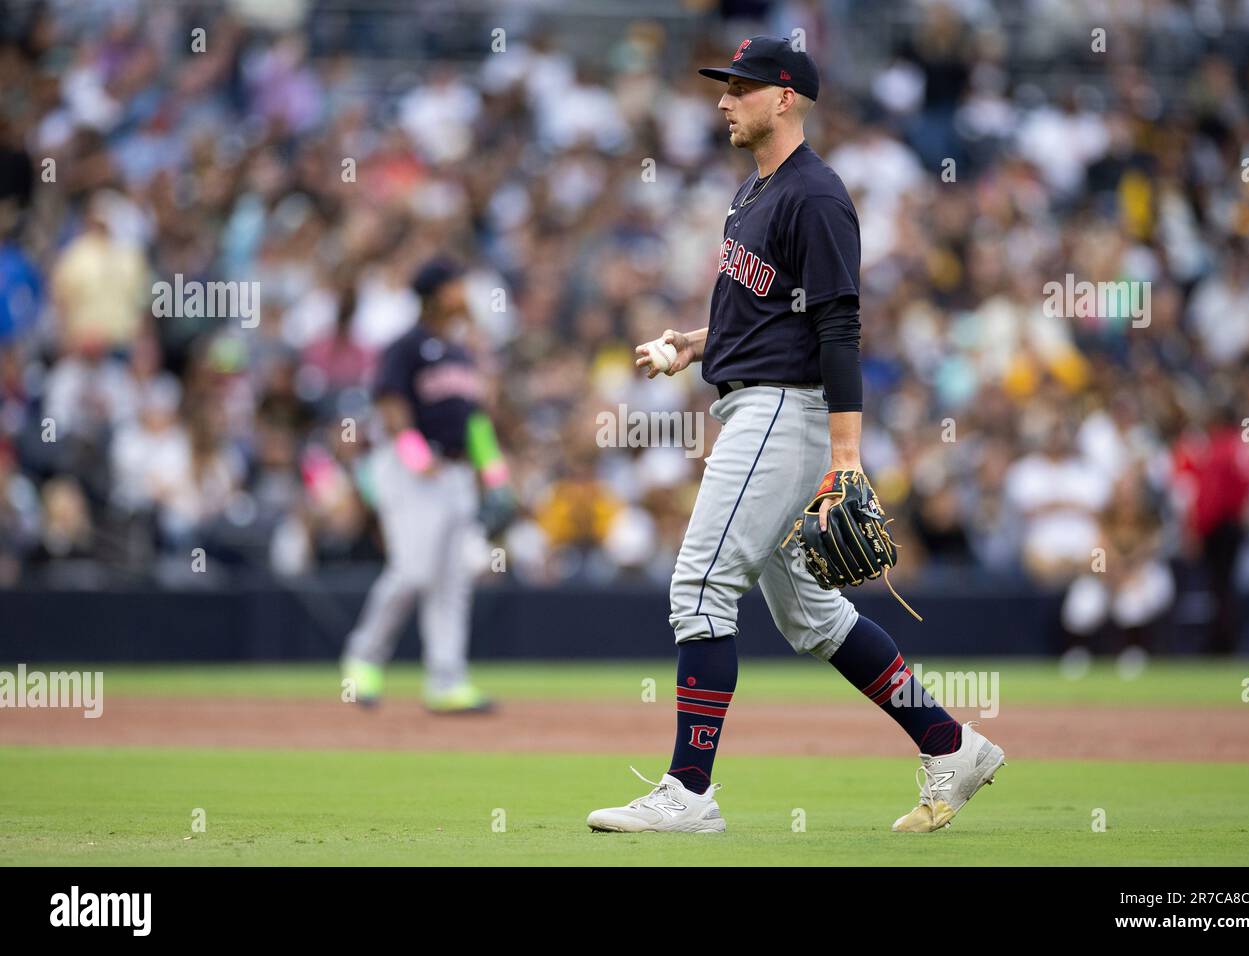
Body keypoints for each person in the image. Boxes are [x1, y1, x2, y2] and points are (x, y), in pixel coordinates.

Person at [586, 37, 1004, 834]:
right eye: (724, 86)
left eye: (740, 87)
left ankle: (690, 793)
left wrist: (846, 455)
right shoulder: (754, 194)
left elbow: (841, 325)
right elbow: (771, 311)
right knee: (811, 615)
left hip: (785, 409)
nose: (723, 99)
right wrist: (692, 343)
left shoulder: (816, 196)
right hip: (753, 401)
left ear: (786, 97)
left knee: (701, 587)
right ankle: (950, 744)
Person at [341, 258, 514, 713]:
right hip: (411, 467)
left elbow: (476, 418)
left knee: (453, 579)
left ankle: (446, 680)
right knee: (413, 570)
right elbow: (391, 402)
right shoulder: (407, 345)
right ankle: (362, 660)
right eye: (456, 286)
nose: (464, 295)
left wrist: (493, 472)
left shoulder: (461, 351)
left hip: (454, 471)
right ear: (435, 293)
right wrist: (415, 454)